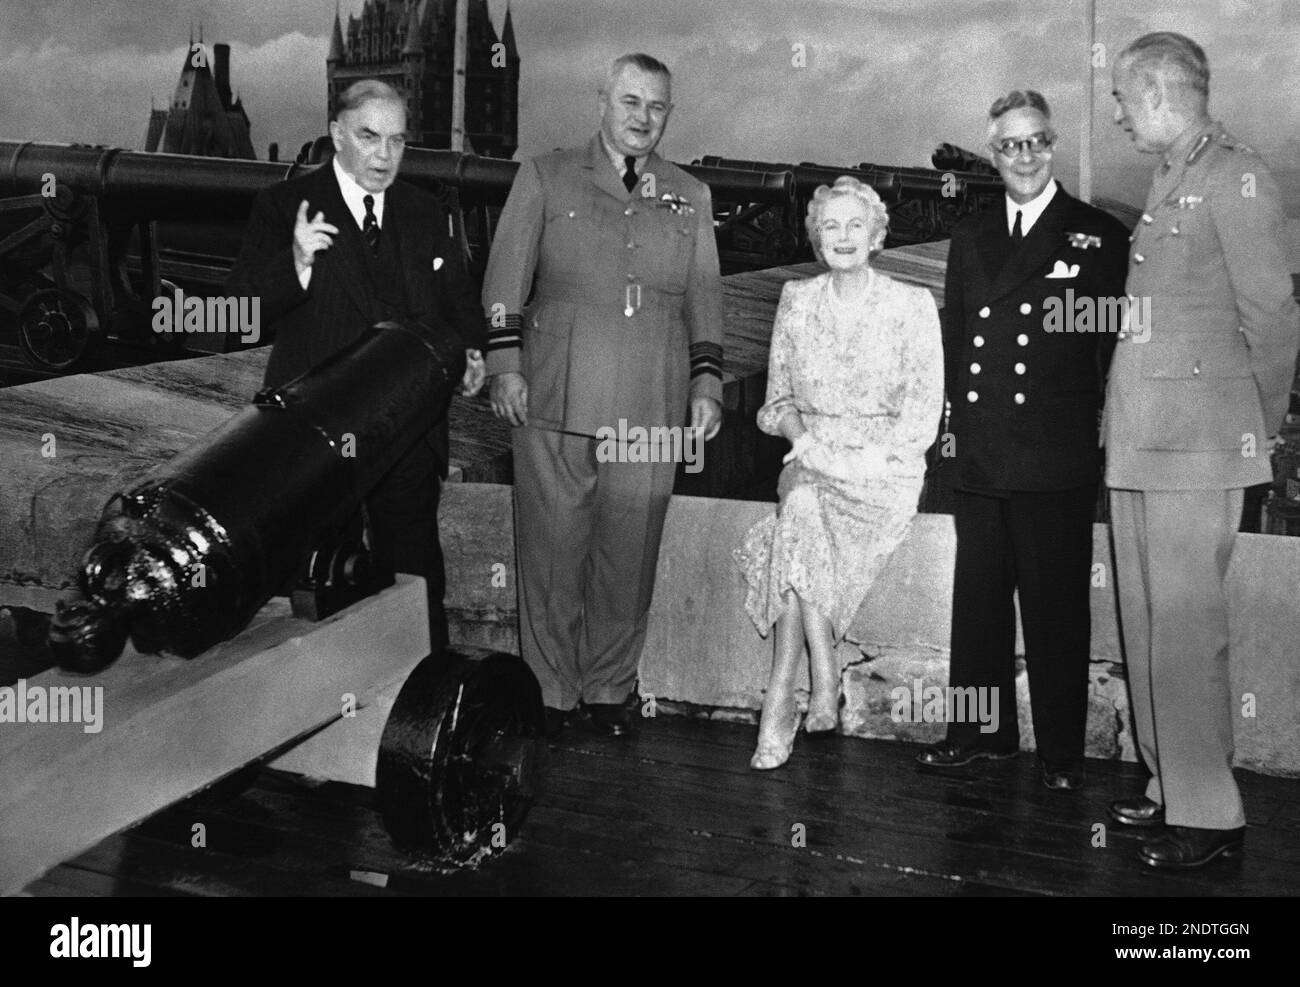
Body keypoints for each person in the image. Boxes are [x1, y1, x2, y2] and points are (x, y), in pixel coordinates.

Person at [482, 54, 724, 739]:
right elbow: (505, 281)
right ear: (602, 102)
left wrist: (707, 382)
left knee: (629, 555)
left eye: (656, 107)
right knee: (551, 555)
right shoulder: (545, 175)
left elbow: (706, 297)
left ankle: (610, 689)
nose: (642, 117)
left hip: (652, 402)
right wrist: (505, 365)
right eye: (630, 101)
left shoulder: (690, 195)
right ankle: (551, 695)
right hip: (555, 395)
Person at [1105, 33, 1299, 867]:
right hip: (1144, 439)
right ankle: (1165, 781)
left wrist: (1253, 427)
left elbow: (1274, 316)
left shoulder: (1235, 174)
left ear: (1155, 94)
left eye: (1120, 99)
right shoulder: (1172, 173)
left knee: (1186, 628)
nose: (1115, 115)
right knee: (1146, 622)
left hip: (1200, 444)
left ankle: (1210, 816)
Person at [225, 79, 487, 652]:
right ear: (338, 134)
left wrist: (472, 351)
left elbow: (461, 304)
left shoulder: (423, 211)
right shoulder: (283, 207)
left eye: (396, 141)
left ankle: (425, 703)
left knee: (417, 575)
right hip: (315, 437)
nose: (384, 156)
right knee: (321, 582)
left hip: (408, 426)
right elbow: (234, 313)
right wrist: (295, 265)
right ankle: (330, 709)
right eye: (369, 137)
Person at [915, 91, 1129, 790]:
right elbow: (954, 341)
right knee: (977, 606)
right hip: (979, 449)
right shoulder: (971, 236)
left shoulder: (1096, 234)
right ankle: (981, 735)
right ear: (993, 152)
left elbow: (1110, 349)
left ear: (1054, 144)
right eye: (1010, 145)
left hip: (1053, 454)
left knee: (1056, 609)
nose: (1025, 157)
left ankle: (1062, 752)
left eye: (1037, 141)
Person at [735, 176, 943, 770]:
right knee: (800, 504)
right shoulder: (797, 299)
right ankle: (811, 683)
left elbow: (921, 423)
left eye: (856, 225)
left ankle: (788, 693)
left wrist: (836, 461)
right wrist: (804, 441)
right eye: (830, 226)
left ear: (877, 235)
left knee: (797, 509)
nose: (843, 237)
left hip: (883, 471)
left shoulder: (911, 305)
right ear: (816, 237)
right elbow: (774, 404)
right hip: (810, 456)